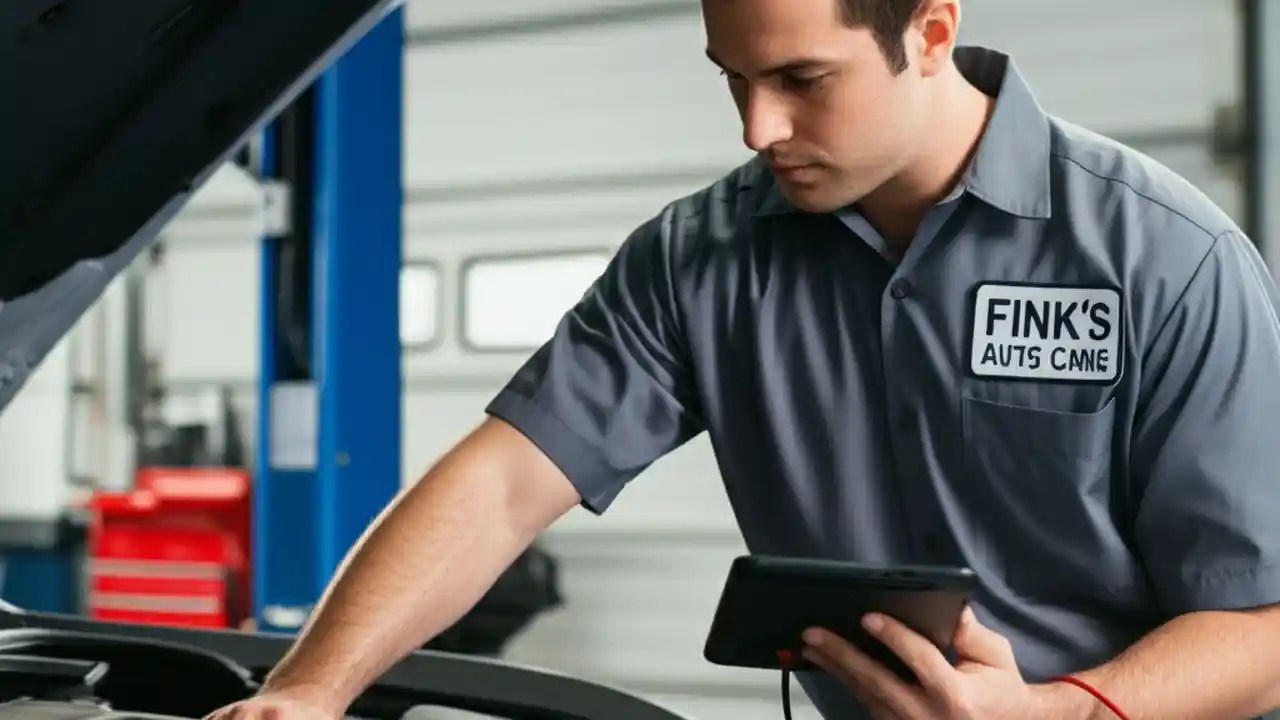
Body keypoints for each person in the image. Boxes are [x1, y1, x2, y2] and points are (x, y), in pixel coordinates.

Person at [208, 0, 1280, 718]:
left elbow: (1262, 619)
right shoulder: (700, 257)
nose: (757, 126)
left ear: (930, 30)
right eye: (733, 78)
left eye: (802, 79)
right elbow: (499, 484)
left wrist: (1055, 716)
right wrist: (310, 693)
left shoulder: (1163, 261)